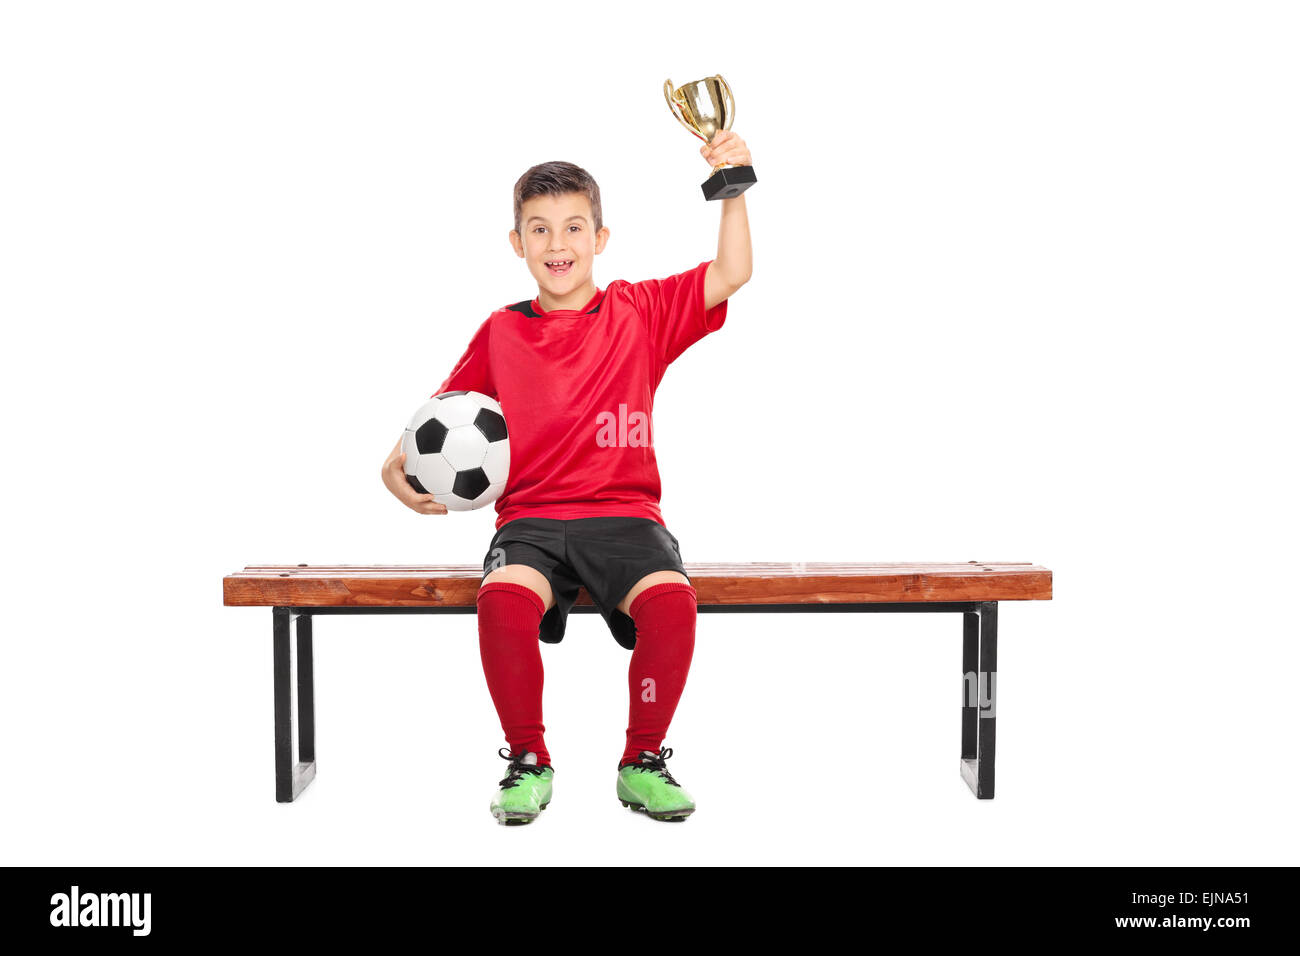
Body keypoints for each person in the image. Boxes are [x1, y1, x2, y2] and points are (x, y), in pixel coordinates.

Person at [381, 133, 753, 824]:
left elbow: (732, 273)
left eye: (574, 227)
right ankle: (528, 760)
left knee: (673, 603)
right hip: (531, 524)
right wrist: (390, 471)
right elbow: (433, 426)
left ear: (601, 237)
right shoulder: (500, 332)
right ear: (516, 242)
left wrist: (732, 178)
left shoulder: (639, 312)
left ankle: (642, 761)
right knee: (501, 602)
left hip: (627, 519)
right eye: (540, 229)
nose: (559, 243)